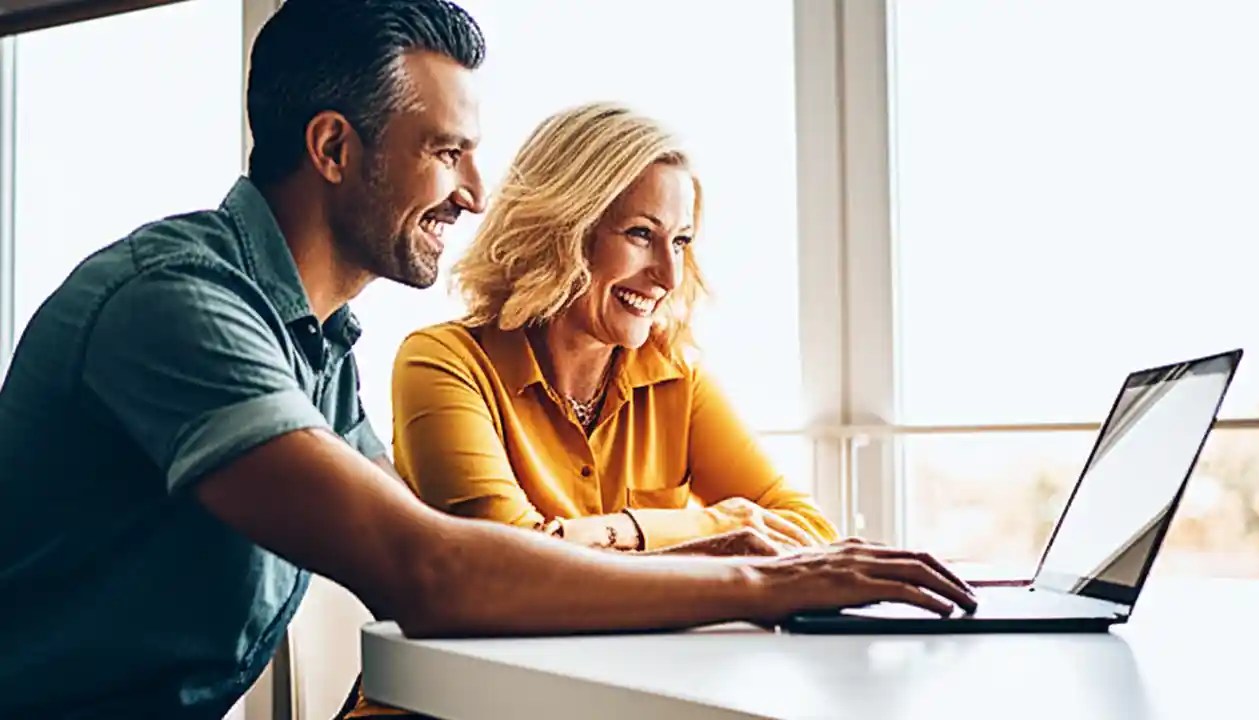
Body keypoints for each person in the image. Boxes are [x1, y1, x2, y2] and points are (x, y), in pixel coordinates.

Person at [0, 1, 975, 717]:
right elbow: (430, 571)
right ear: (335, 148)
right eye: (447, 152)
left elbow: (464, 551)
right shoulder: (181, 306)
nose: (475, 194)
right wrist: (763, 580)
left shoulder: (313, 346)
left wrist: (713, 544)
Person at [389, 102, 838, 554]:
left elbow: (809, 532)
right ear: (561, 232)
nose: (669, 275)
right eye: (641, 234)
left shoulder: (677, 379)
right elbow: (509, 562)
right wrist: (721, 527)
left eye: (680, 242)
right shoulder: (443, 363)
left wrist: (623, 532)